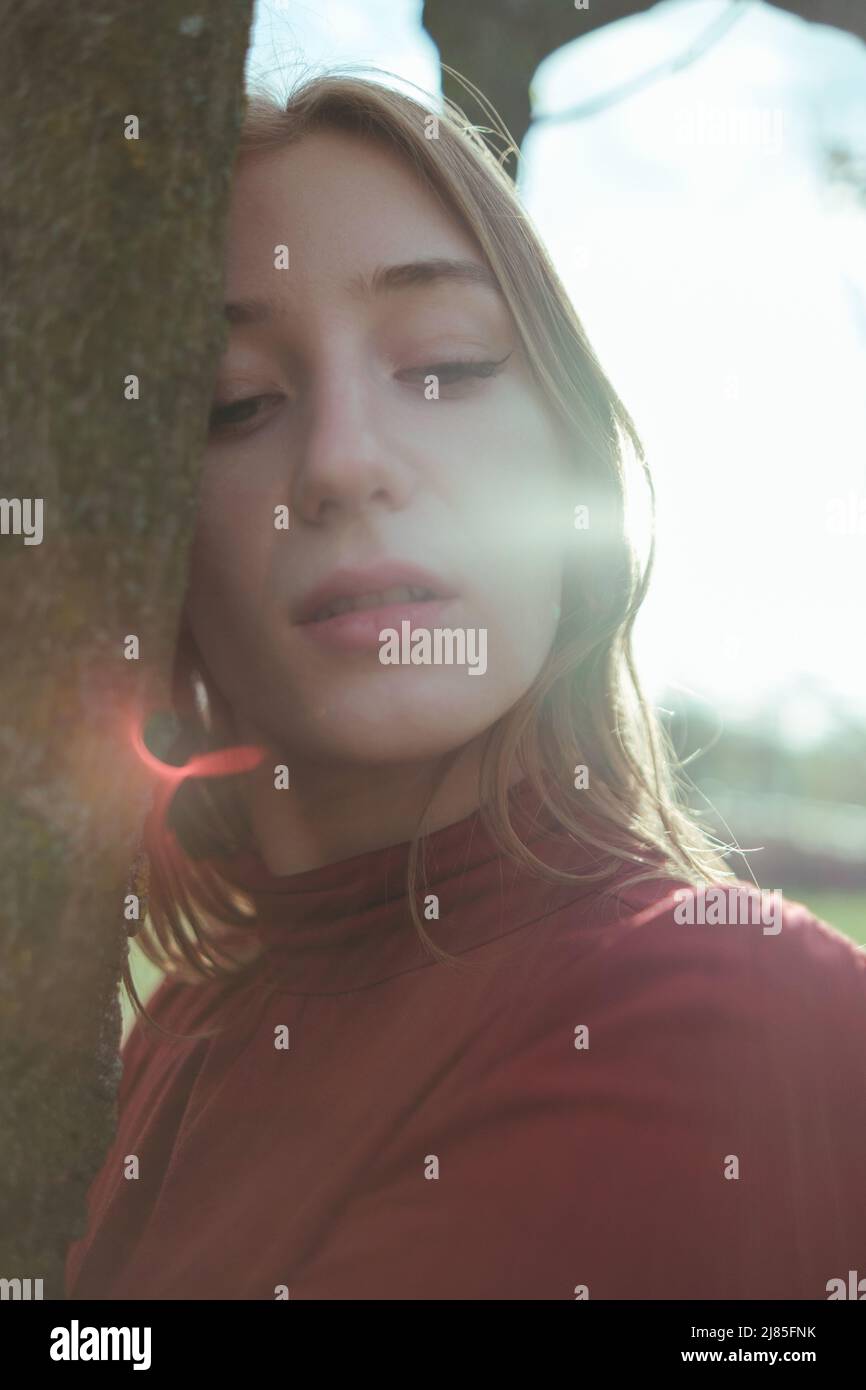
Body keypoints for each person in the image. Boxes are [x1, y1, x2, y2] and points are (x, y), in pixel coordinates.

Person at [66, 73, 866, 1301]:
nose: (340, 462)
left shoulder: (729, 1009)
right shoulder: (178, 1028)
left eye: (443, 368)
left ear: (571, 469)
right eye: (236, 403)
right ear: (147, 537)